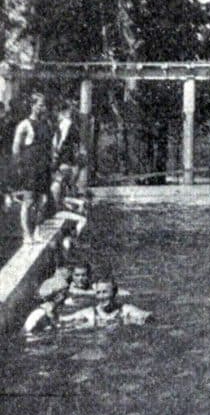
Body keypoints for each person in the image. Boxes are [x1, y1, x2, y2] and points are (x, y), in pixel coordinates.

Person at [11, 92, 53, 244]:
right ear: (33, 105)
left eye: (44, 105)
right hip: (30, 167)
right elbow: (16, 148)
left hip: (43, 166)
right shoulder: (24, 125)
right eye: (40, 105)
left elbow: (50, 147)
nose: (43, 108)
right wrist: (19, 167)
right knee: (28, 202)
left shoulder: (46, 124)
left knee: (42, 201)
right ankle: (26, 234)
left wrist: (51, 163)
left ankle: (37, 231)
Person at [63, 277, 152, 328]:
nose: (101, 296)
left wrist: (136, 320)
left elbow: (148, 316)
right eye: (98, 293)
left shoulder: (125, 310)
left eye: (105, 292)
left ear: (114, 293)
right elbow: (64, 320)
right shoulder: (89, 313)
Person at [51, 100, 84, 211]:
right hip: (70, 157)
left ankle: (61, 205)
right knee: (67, 183)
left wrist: (56, 154)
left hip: (65, 157)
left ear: (62, 112)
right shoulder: (68, 124)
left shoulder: (66, 123)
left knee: (60, 181)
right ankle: (68, 204)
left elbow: (61, 141)